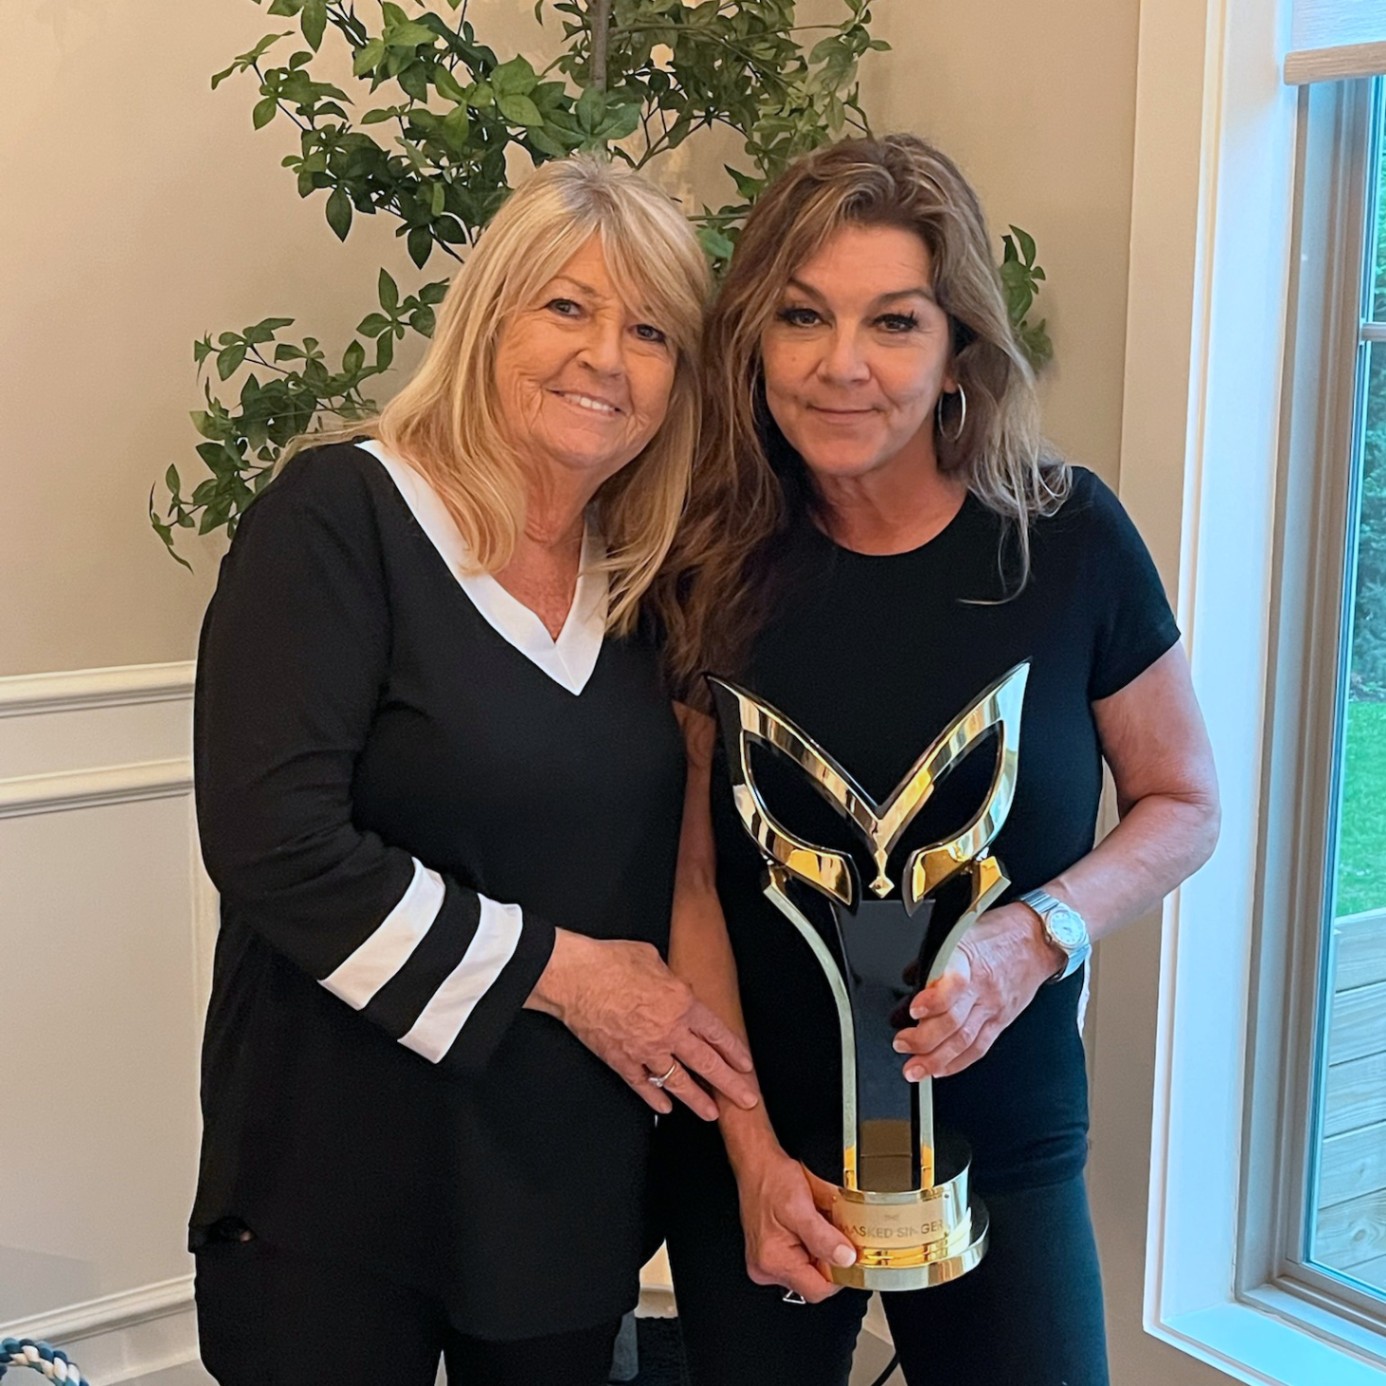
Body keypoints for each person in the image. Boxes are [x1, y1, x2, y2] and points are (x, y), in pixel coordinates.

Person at [651, 134, 1221, 1386]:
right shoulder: (705, 559)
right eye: (803, 315)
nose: (842, 365)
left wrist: (1039, 935)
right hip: (761, 1152)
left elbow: (1184, 802)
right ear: (754, 338)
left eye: (895, 322)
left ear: (958, 349)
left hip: (1006, 1143)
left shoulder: (1068, 538)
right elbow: (690, 884)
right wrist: (748, 1156)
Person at [189, 154, 759, 1386]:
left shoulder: (650, 589)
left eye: (651, 332)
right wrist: (569, 976)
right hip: (333, 1181)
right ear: (489, 316)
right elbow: (276, 846)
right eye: (568, 306)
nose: (606, 357)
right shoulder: (339, 518)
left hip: (560, 1185)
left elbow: (684, 872)